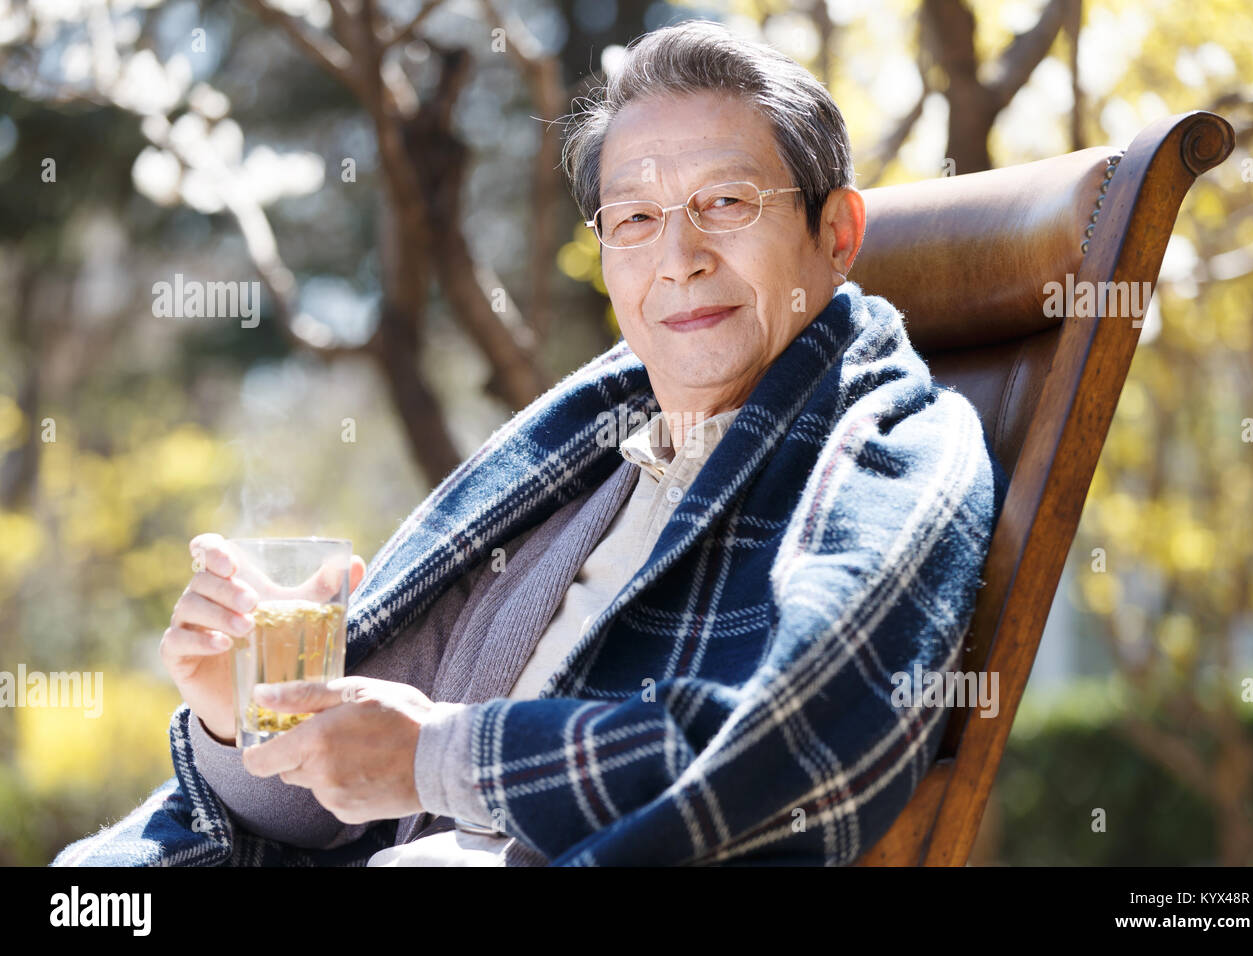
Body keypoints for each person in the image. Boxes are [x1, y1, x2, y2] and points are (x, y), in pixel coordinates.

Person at [53, 18, 1007, 867]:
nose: (679, 259)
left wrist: (440, 756)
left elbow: (797, 737)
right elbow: (340, 805)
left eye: (727, 204)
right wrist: (242, 719)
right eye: (634, 219)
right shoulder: (576, 467)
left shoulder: (896, 444)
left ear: (836, 231)